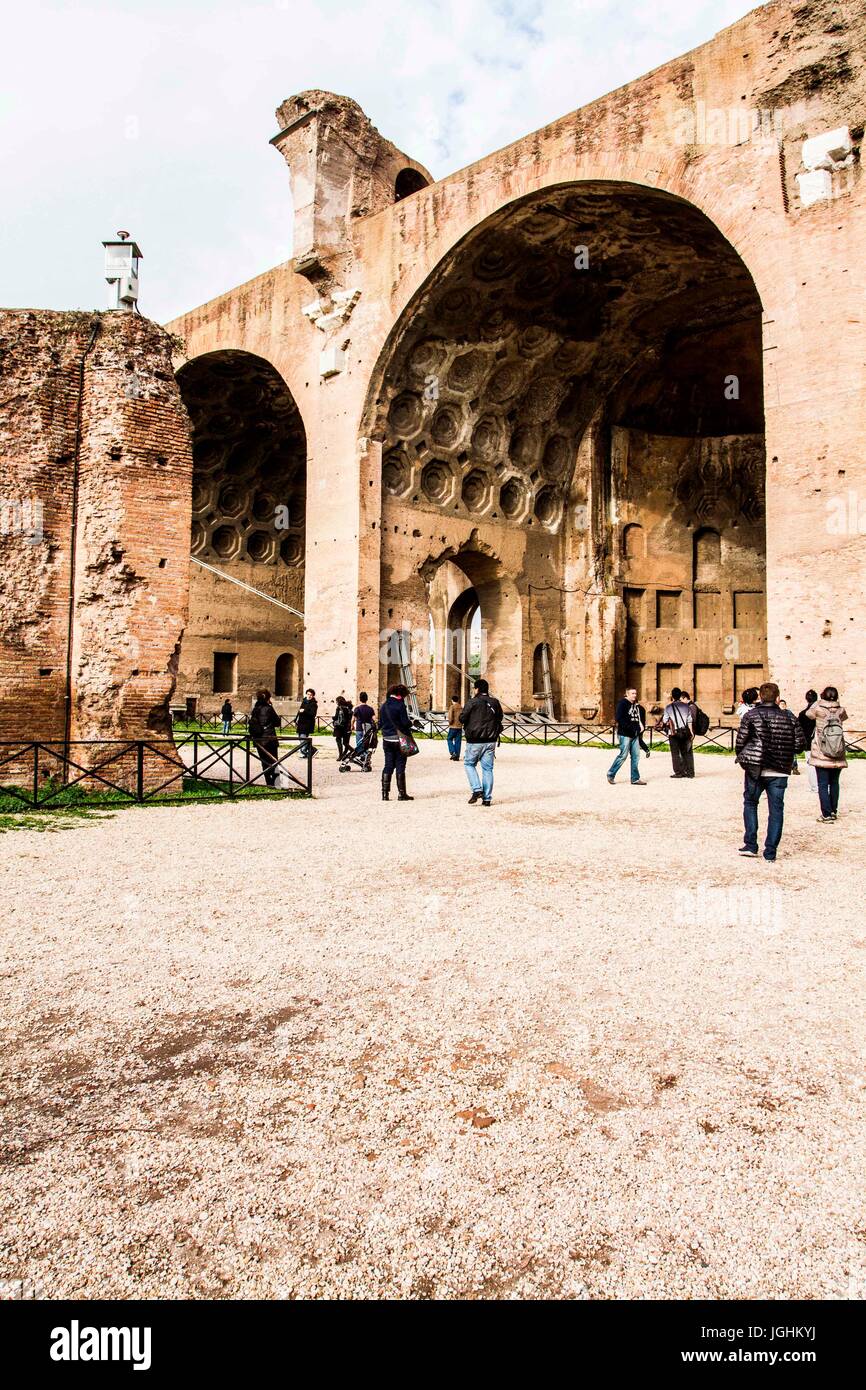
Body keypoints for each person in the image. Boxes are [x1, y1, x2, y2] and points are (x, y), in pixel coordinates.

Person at [735, 680, 805, 861]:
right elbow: (799, 745)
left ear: (760, 697)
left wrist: (745, 760)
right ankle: (770, 851)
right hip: (780, 769)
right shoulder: (789, 717)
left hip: (756, 767)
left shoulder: (750, 716)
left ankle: (751, 845)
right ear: (778, 697)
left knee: (750, 803)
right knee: (776, 810)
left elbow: (740, 742)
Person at [804, 685, 848, 823]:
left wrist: (819, 702)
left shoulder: (817, 709)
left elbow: (807, 714)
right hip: (837, 750)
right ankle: (834, 810)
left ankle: (826, 814)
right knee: (834, 782)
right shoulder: (841, 710)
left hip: (821, 751)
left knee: (822, 784)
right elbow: (844, 718)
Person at [460, 677, 504, 806]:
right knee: (488, 769)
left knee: (469, 764)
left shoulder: (472, 702)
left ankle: (477, 789)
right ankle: (487, 799)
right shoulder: (495, 702)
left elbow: (462, 718)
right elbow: (500, 717)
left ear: (477, 689)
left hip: (475, 740)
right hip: (491, 740)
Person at [379, 682, 414, 801]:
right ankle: (401, 794)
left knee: (388, 765)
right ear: (401, 695)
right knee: (400, 764)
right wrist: (411, 723)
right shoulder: (400, 705)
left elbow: (380, 724)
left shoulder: (383, 706)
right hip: (400, 739)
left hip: (387, 739)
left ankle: (385, 794)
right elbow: (405, 723)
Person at [606, 687, 647, 785]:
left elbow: (637, 718)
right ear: (627, 694)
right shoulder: (622, 704)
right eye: (632, 693)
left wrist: (639, 728)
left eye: (635, 693)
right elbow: (619, 719)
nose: (635, 695)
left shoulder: (635, 705)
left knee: (636, 756)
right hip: (625, 734)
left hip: (635, 735)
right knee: (623, 755)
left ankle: (635, 778)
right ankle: (610, 774)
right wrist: (631, 728)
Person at [249, 688, 280, 787]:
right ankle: (277, 784)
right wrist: (271, 707)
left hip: (259, 739)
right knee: (274, 761)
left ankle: (269, 783)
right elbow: (277, 722)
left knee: (264, 762)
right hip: (269, 738)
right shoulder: (269, 709)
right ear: (267, 698)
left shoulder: (255, 709)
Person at [663, 687, 694, 778]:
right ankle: (689, 772)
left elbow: (665, 721)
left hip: (673, 732)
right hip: (685, 731)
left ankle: (678, 772)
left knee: (675, 753)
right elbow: (690, 721)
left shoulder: (668, 707)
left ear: (672, 696)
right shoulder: (686, 706)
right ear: (680, 695)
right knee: (686, 752)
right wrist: (691, 732)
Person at [295, 688, 318, 759]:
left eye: (311, 695)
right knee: (300, 738)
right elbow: (299, 711)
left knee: (303, 738)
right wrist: (296, 719)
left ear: (313, 696)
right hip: (301, 723)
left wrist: (304, 711)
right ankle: (312, 750)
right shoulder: (304, 701)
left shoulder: (314, 704)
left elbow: (313, 714)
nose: (309, 696)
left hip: (307, 724)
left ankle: (304, 751)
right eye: (308, 694)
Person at [446, 692, 463, 760]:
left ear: (452, 700)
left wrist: (450, 723)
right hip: (459, 726)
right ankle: (457, 755)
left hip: (453, 726)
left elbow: (450, 716)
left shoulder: (452, 707)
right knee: (458, 741)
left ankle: (453, 752)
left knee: (449, 739)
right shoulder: (461, 707)